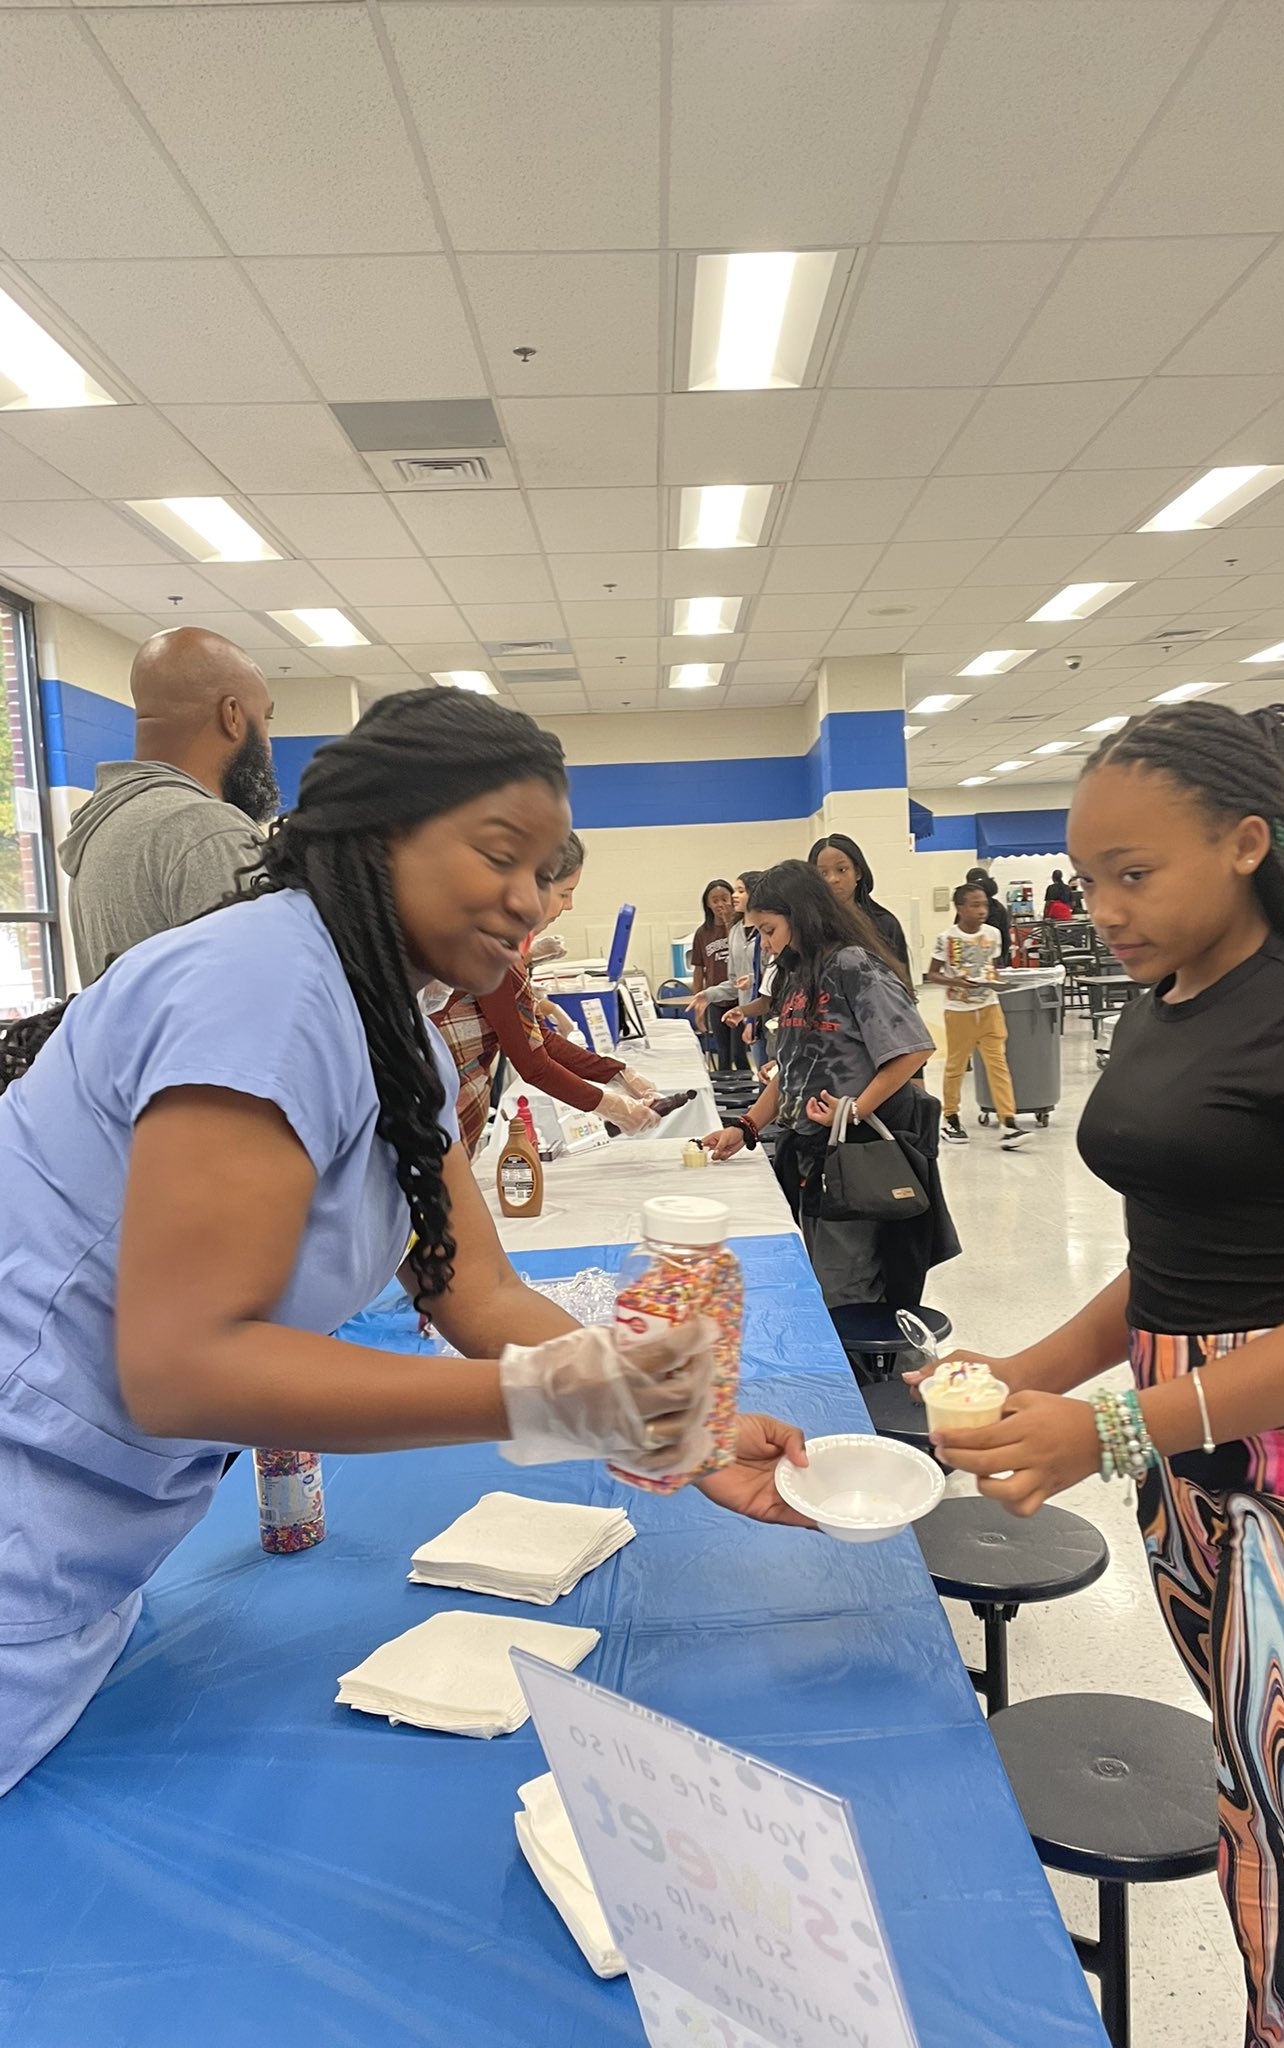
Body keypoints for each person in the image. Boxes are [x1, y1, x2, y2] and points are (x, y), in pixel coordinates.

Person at [0, 690, 810, 1798]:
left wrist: (682, 1428)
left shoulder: (395, 1033)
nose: (529, 900)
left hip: (87, 1549)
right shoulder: (264, 984)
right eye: (499, 854)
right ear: (379, 832)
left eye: (545, 869)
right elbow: (182, 1366)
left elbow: (475, 1290)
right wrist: (550, 1398)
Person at [932, 702, 1284, 2048]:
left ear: (1245, 844)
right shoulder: (1165, 1004)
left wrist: (1106, 1427)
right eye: (1087, 875)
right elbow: (1170, 1261)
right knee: (1265, 1825)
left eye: (1134, 874)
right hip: (1190, 1469)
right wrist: (1029, 1367)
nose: (1100, 908)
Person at [704, 862, 955, 1309]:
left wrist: (856, 1108)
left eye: (769, 930)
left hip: (854, 1154)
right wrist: (746, 1126)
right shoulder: (793, 973)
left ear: (801, 915)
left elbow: (912, 1049)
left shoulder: (852, 965)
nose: (766, 943)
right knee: (816, 1276)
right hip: (808, 1150)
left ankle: (858, 1354)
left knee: (845, 1287)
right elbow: (792, 1069)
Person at [59, 627, 280, 984]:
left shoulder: (102, 825)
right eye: (265, 721)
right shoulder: (206, 829)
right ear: (233, 716)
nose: (267, 744)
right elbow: (265, 993)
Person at [429, 832, 658, 1153]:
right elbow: (533, 1064)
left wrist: (617, 1072)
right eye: (565, 893)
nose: (569, 906)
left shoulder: (485, 935)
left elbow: (536, 1037)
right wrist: (611, 1106)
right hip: (439, 1111)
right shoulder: (493, 951)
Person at [926, 882, 1030, 1150]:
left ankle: (1008, 1121)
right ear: (960, 908)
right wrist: (957, 982)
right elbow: (933, 973)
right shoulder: (946, 938)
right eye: (975, 905)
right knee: (956, 1066)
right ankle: (950, 1117)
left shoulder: (993, 934)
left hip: (989, 1008)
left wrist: (997, 981)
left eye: (984, 905)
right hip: (959, 1012)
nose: (982, 910)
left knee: (998, 1065)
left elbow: (990, 966)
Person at [812, 835, 912, 983]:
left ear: (858, 873)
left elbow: (903, 983)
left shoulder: (885, 924)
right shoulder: (810, 927)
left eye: (841, 869)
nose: (833, 879)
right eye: (823, 873)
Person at [689, 878, 745, 1068]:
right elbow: (698, 969)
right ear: (707, 904)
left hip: (739, 998)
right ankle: (724, 1086)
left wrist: (729, 922)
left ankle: (748, 1086)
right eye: (715, 900)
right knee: (723, 1052)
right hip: (715, 998)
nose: (720, 904)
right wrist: (698, 1001)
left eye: (724, 899)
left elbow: (737, 949)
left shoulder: (740, 928)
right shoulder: (702, 933)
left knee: (739, 1053)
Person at [727, 872, 765, 1068]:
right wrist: (707, 995)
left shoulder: (767, 929)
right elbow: (733, 980)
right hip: (749, 1013)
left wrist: (752, 979)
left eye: (740, 891)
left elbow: (771, 973)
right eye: (734, 890)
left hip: (767, 1012)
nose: (734, 895)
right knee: (762, 1071)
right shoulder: (734, 931)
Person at [964, 864, 1015, 963]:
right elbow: (1005, 939)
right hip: (994, 958)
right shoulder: (998, 907)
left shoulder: (967, 908)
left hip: (972, 958)